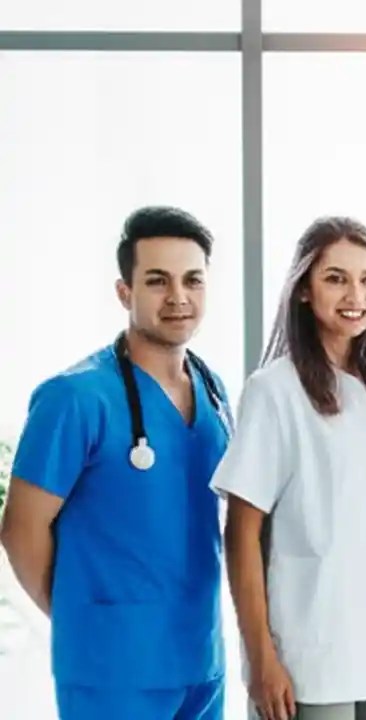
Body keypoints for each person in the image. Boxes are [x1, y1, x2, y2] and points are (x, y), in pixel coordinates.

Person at [0, 206, 232, 719]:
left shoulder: (214, 393)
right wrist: (86, 620)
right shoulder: (75, 398)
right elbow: (21, 530)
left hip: (200, 659)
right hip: (112, 671)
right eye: (157, 281)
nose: (178, 297)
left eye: (193, 280)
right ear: (124, 292)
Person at [211, 217, 366, 720]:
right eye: (336, 277)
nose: (355, 293)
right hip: (311, 661)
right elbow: (242, 534)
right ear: (304, 291)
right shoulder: (275, 391)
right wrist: (261, 659)